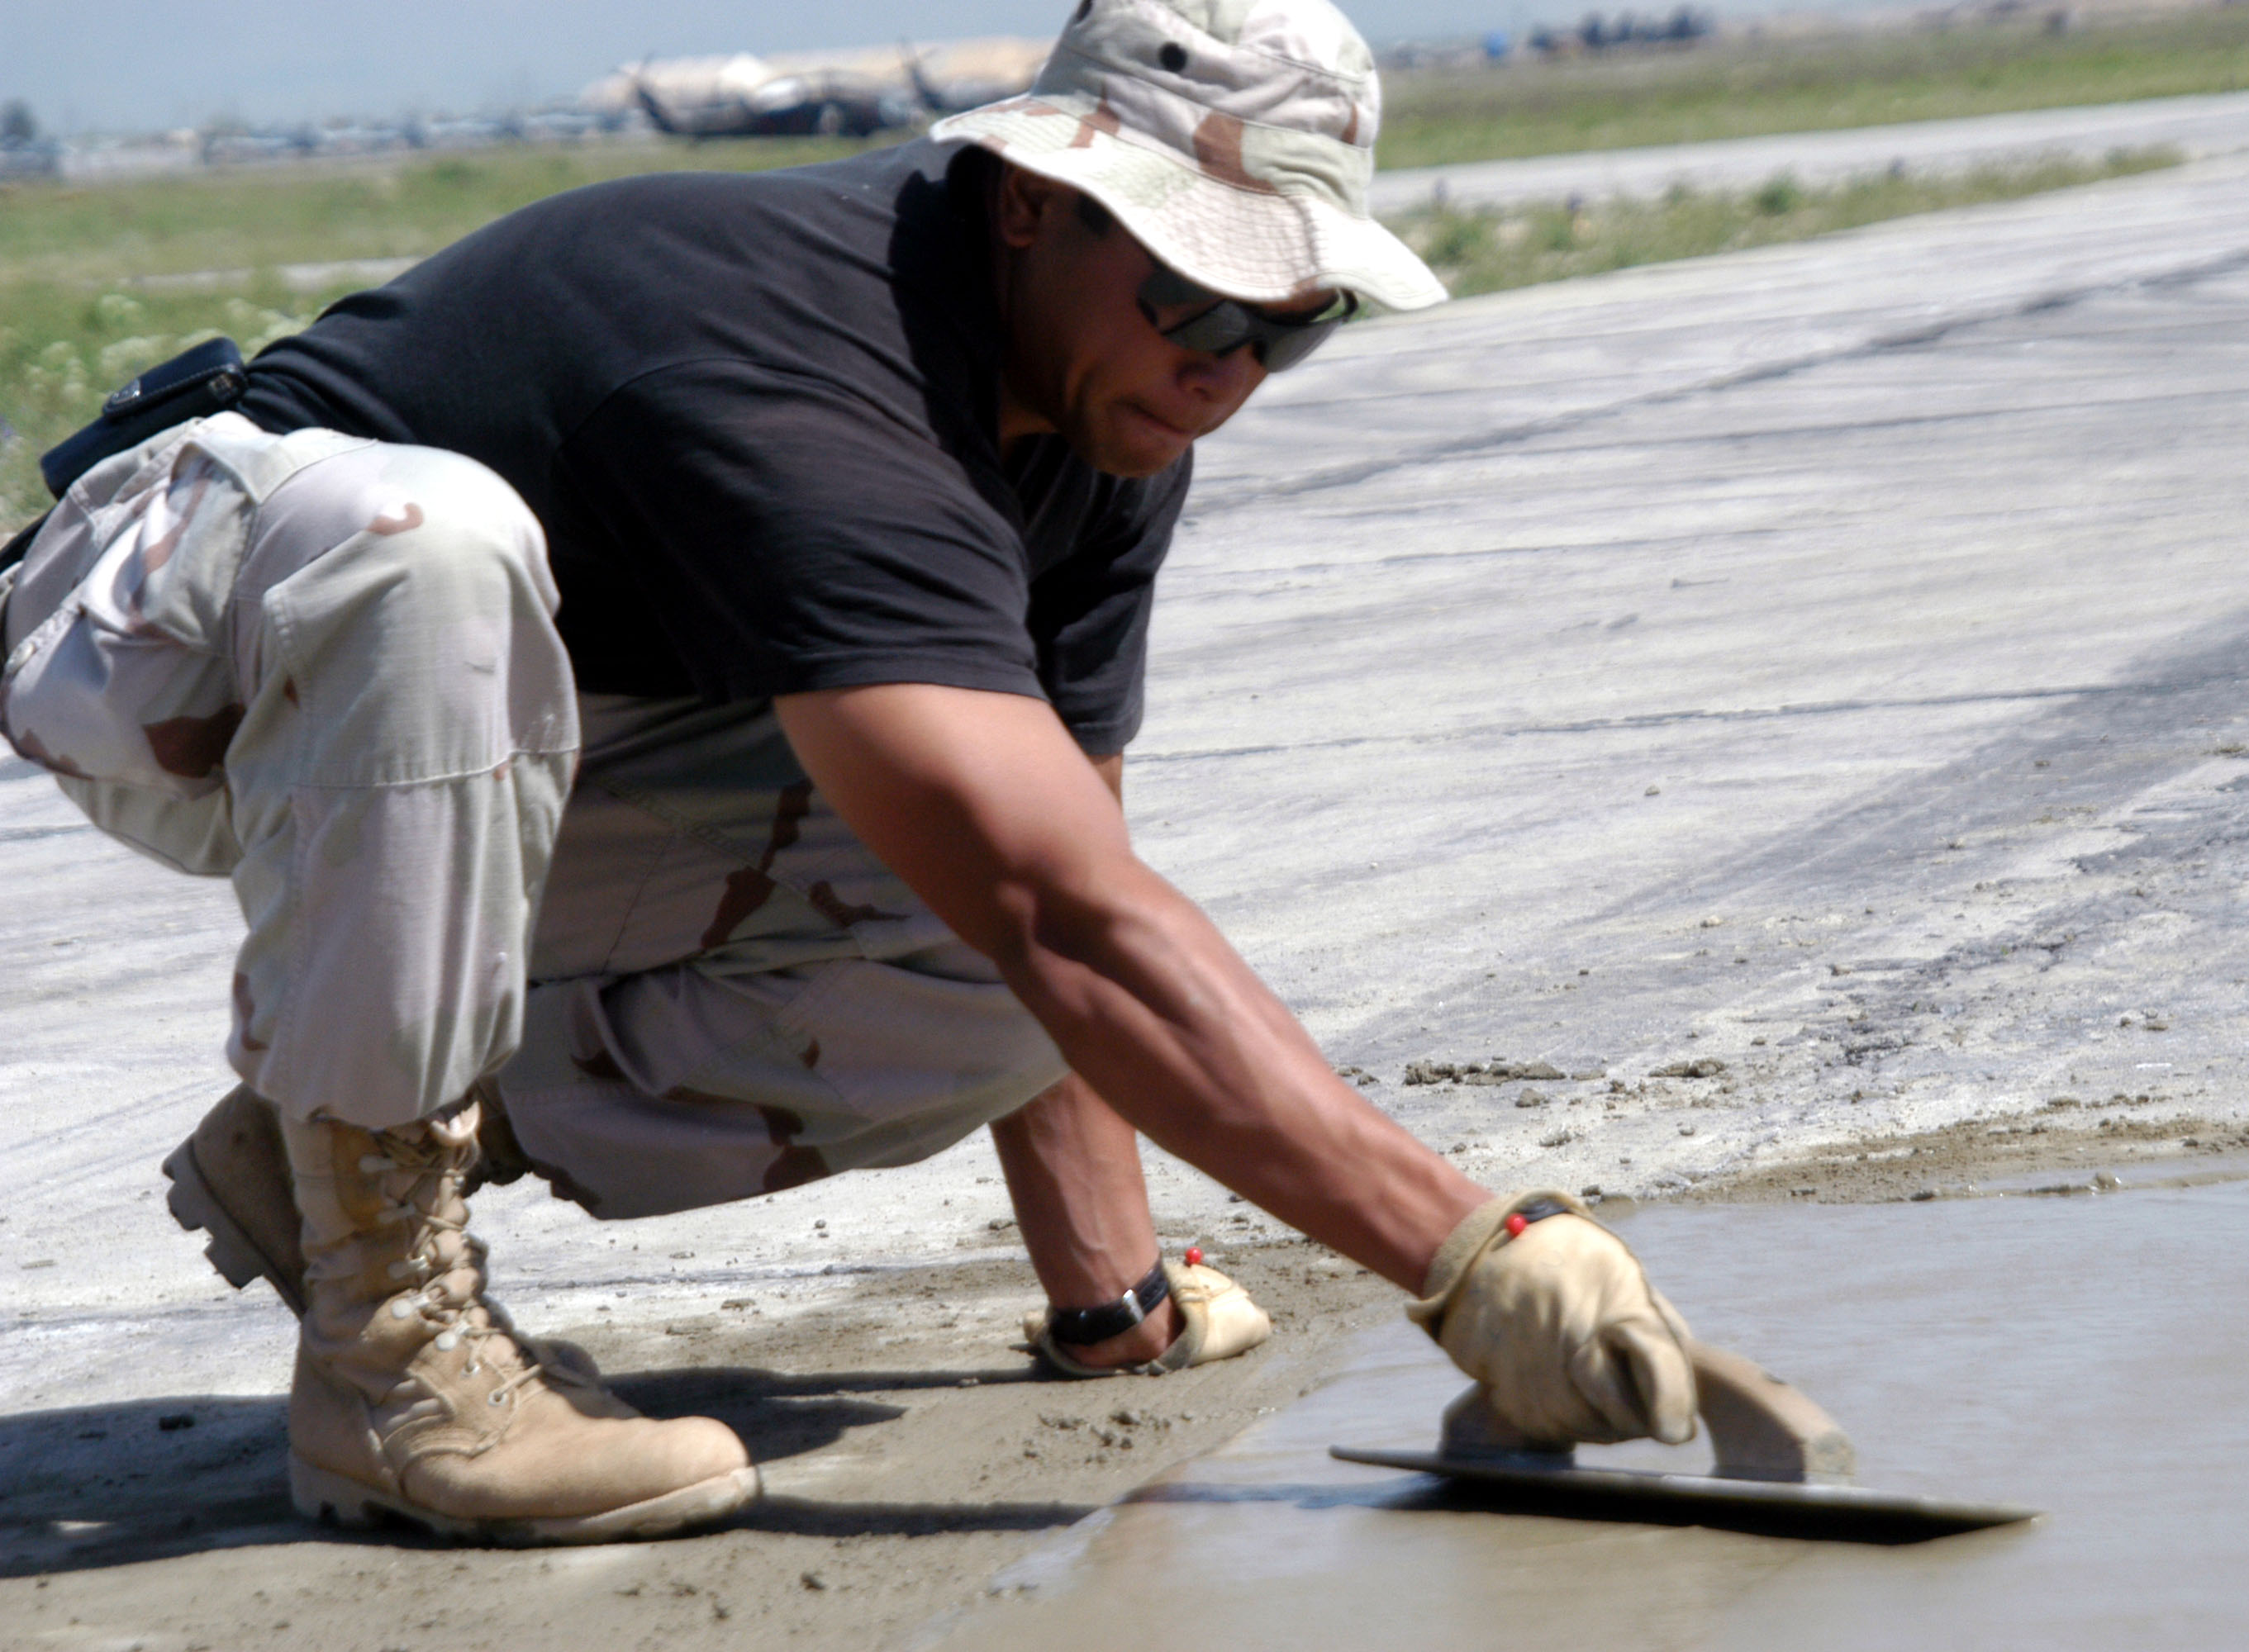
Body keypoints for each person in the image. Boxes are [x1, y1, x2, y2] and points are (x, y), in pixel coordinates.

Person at [0, 0, 1700, 1547]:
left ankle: (328, 1147)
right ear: (1032, 200)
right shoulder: (818, 353)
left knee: (982, 974)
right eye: (1193, 296)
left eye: (1290, 324)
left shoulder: (1108, 424)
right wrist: (1471, 1254)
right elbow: (1064, 911)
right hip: (189, 628)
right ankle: (394, 1369)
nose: (1226, 368)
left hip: (506, 740)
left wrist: (1109, 1297)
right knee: (428, 540)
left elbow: (1052, 870)